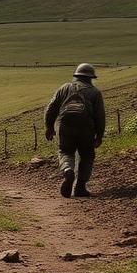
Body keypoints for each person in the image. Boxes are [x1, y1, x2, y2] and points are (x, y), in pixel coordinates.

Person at [44, 63, 106, 198]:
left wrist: (49, 127)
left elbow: (51, 108)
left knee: (65, 152)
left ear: (76, 75)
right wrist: (99, 136)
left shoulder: (65, 88)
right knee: (87, 156)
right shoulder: (95, 92)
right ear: (91, 78)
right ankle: (80, 187)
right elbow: (100, 116)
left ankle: (67, 170)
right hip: (86, 129)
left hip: (65, 126)